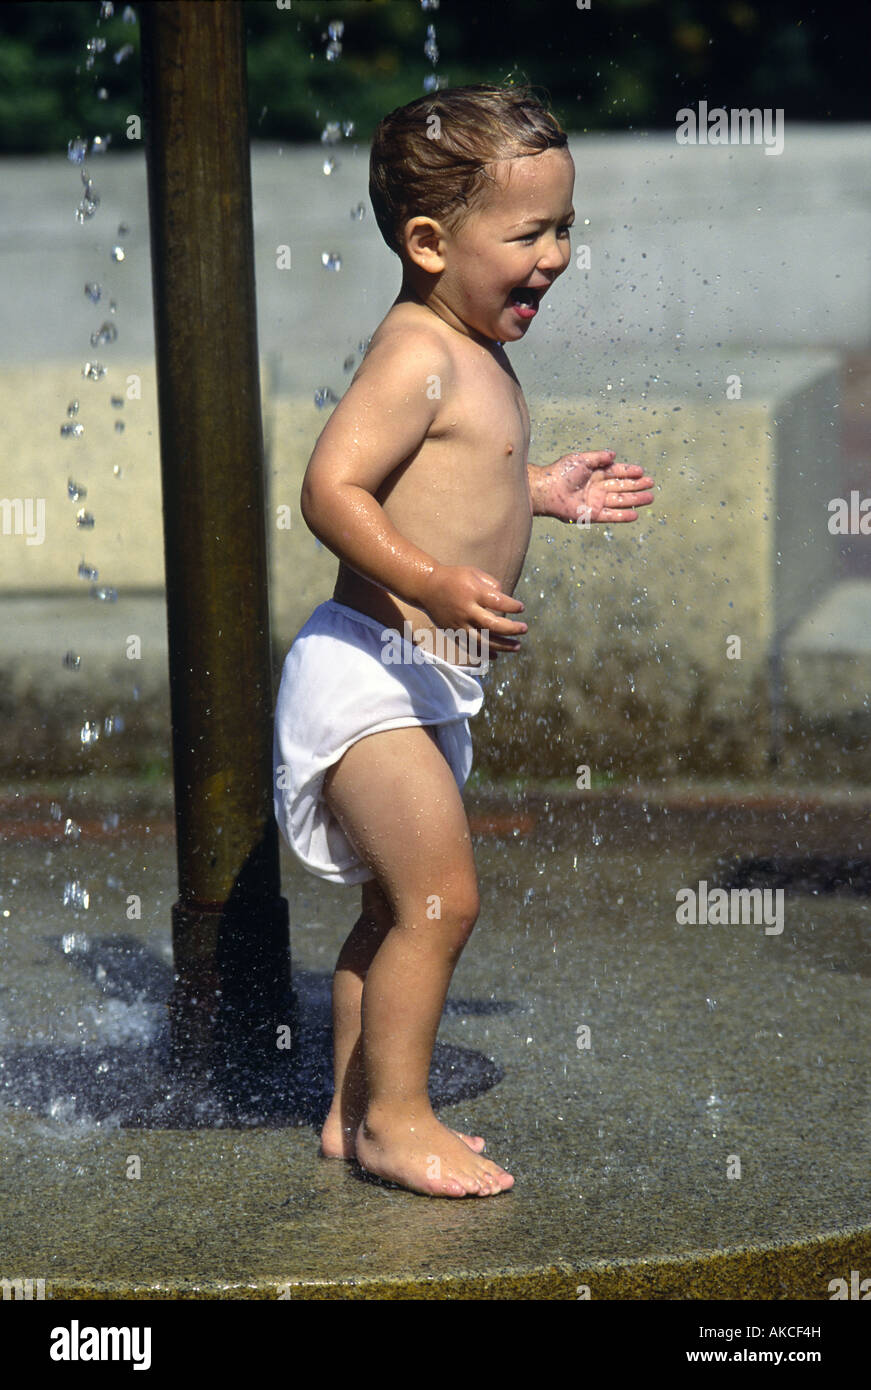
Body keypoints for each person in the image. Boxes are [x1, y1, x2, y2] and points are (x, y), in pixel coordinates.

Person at [273, 84, 654, 1197]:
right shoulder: (416, 352)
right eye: (528, 233)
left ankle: (351, 1111)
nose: (556, 256)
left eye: (565, 228)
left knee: (398, 906)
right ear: (430, 243)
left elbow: (454, 476)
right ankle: (397, 1116)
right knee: (446, 899)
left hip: (413, 682)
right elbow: (330, 491)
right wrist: (431, 578)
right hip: (364, 675)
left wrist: (536, 490)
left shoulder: (468, 346)